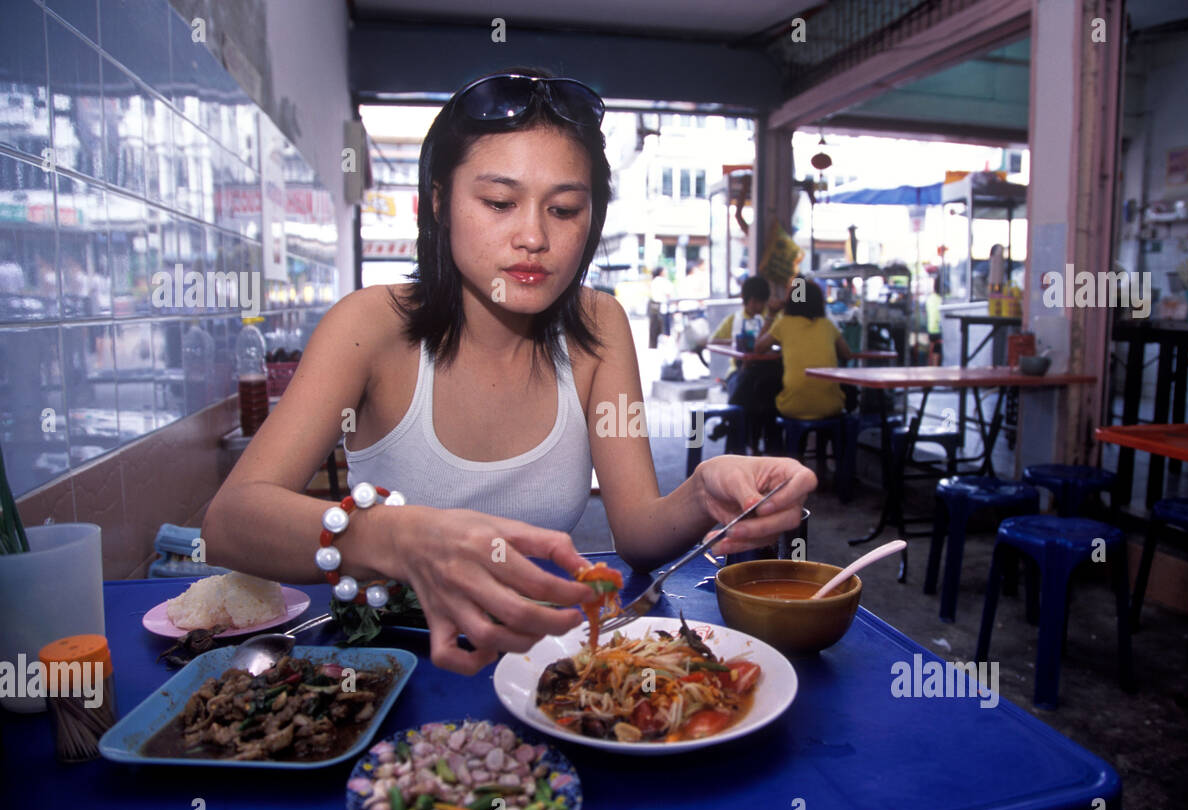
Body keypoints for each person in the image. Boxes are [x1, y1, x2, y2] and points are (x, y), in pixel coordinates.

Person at [201, 68, 816, 676]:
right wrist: (399, 539)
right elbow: (232, 522)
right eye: (499, 202)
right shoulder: (370, 326)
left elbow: (637, 534)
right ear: (439, 202)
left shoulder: (599, 327)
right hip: (389, 667)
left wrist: (704, 491)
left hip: (543, 665)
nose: (533, 236)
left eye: (565, 209)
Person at [755, 279, 851, 422]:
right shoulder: (827, 325)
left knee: (763, 387)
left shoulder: (783, 323)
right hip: (831, 406)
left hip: (793, 406)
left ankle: (773, 442)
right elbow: (847, 354)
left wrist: (771, 314)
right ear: (819, 303)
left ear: (790, 302)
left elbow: (759, 348)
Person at [709, 276, 782, 452]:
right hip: (738, 370)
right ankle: (743, 449)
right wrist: (735, 341)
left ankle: (728, 427)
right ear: (749, 301)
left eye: (763, 303)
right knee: (749, 390)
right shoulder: (734, 319)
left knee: (754, 398)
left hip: (764, 371)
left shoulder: (771, 318)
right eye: (758, 302)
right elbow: (713, 341)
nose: (760, 307)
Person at [647, 265, 675, 349]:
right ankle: (667, 345)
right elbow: (669, 294)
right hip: (663, 306)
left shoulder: (654, 281)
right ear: (661, 272)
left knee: (654, 328)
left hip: (654, 306)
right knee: (665, 328)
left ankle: (653, 346)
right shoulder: (663, 281)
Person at [925, 276, 943, 365]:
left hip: (930, 331)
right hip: (938, 332)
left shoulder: (930, 298)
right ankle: (936, 366)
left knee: (936, 346)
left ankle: (933, 366)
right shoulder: (942, 299)